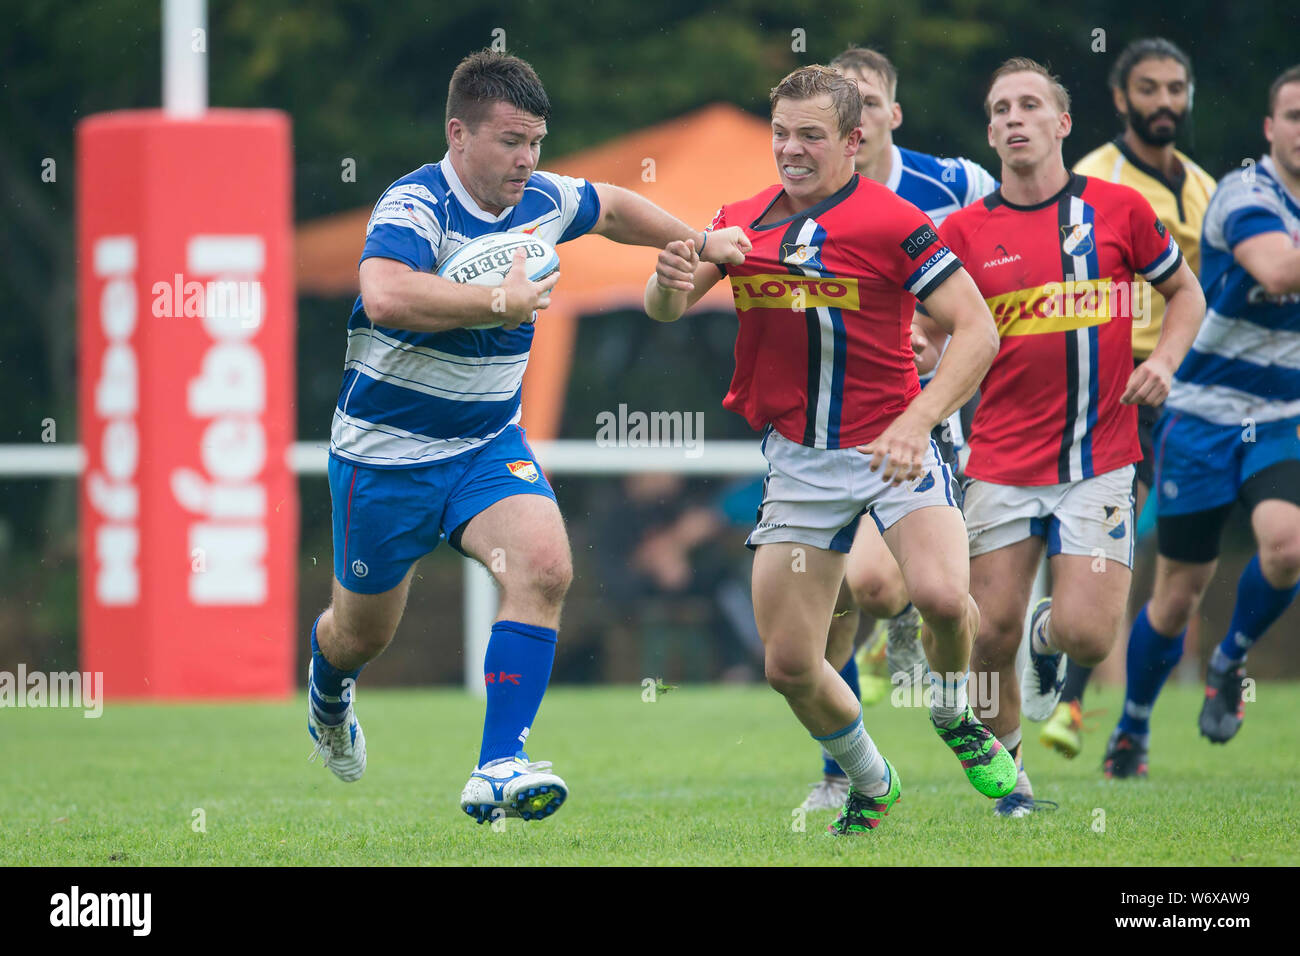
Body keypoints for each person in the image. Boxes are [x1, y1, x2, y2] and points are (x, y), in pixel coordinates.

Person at [305, 50, 749, 825]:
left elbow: (611, 205)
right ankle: (329, 693)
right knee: (359, 633)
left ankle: (498, 763)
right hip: (386, 455)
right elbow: (382, 294)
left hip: (484, 444)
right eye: (511, 141)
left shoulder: (540, 197)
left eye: (536, 140)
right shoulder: (414, 206)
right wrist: (493, 301)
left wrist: (702, 241)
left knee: (544, 565)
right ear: (458, 134)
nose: (527, 159)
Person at [644, 65, 1014, 836]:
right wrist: (670, 278)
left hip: (893, 446)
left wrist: (919, 420)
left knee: (943, 599)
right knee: (787, 665)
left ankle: (951, 711)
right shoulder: (741, 222)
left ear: (854, 140)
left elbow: (979, 330)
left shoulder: (896, 221)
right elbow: (669, 309)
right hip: (801, 464)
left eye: (811, 134)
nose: (791, 148)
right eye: (781, 132)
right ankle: (871, 781)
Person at [942, 58, 1204, 816]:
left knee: (1088, 636)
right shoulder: (961, 232)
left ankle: (1045, 641)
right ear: (991, 132)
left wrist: (1163, 361)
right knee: (987, 636)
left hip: (1100, 456)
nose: (1014, 118)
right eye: (1001, 109)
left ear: (1062, 124)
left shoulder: (1120, 209)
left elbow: (1185, 292)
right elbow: (928, 329)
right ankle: (1014, 784)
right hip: (999, 459)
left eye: (1030, 106)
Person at [795, 47, 1001, 812]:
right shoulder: (799, 198)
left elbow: (1007, 236)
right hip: (837, 421)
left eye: (872, 101)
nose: (860, 114)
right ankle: (839, 762)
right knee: (866, 590)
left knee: (911, 589)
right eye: (844, 102)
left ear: (891, 114)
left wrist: (949, 332)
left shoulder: (951, 184)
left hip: (929, 407)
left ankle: (941, 694)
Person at [1106, 65, 1300, 776]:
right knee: (1176, 594)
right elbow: (1279, 270)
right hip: (1200, 413)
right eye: (1294, 115)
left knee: (1287, 546)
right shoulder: (1244, 193)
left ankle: (1230, 660)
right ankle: (1131, 726)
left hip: (1280, 415)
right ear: (1270, 129)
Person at [1044, 38, 1217, 763]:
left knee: (1187, 564)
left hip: (1201, 390)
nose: (1164, 102)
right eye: (1148, 88)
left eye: (1175, 87)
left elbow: (1210, 291)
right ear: (1121, 99)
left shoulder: (1206, 187)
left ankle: (1141, 713)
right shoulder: (1093, 178)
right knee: (1110, 535)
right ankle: (1073, 699)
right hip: (1121, 385)